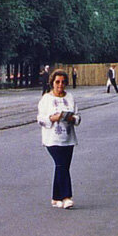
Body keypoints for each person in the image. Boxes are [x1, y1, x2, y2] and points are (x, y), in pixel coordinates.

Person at [37, 69, 80, 208]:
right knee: (61, 165)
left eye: (63, 82)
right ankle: (67, 196)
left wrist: (73, 118)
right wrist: (53, 118)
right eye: (57, 82)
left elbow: (78, 116)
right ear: (52, 83)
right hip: (52, 139)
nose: (60, 85)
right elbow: (40, 119)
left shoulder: (70, 98)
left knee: (63, 167)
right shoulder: (46, 99)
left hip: (68, 138)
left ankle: (56, 198)